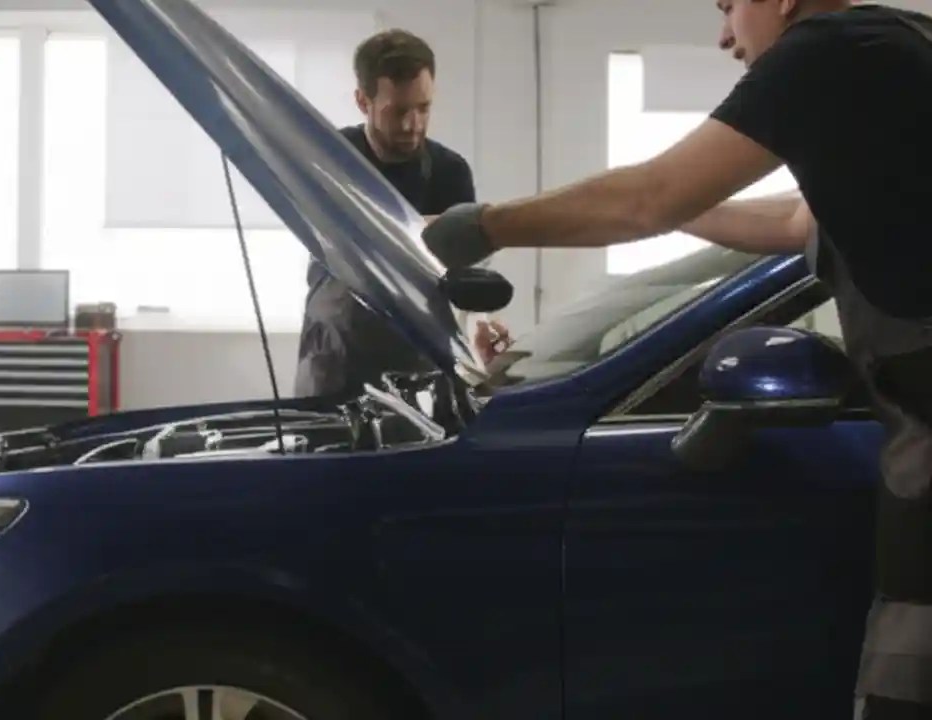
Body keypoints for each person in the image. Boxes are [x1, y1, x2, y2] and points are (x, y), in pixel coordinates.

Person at [424, 1, 932, 716]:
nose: (725, 35)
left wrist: (486, 225)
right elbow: (793, 220)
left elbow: (650, 199)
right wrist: (667, 196)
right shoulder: (897, 40)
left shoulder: (830, 49)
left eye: (728, 5)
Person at [294, 29, 507, 400]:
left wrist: (481, 324)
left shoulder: (450, 172)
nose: (413, 125)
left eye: (423, 108)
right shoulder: (327, 160)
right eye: (398, 111)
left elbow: (463, 278)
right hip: (335, 353)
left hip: (419, 359)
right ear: (363, 101)